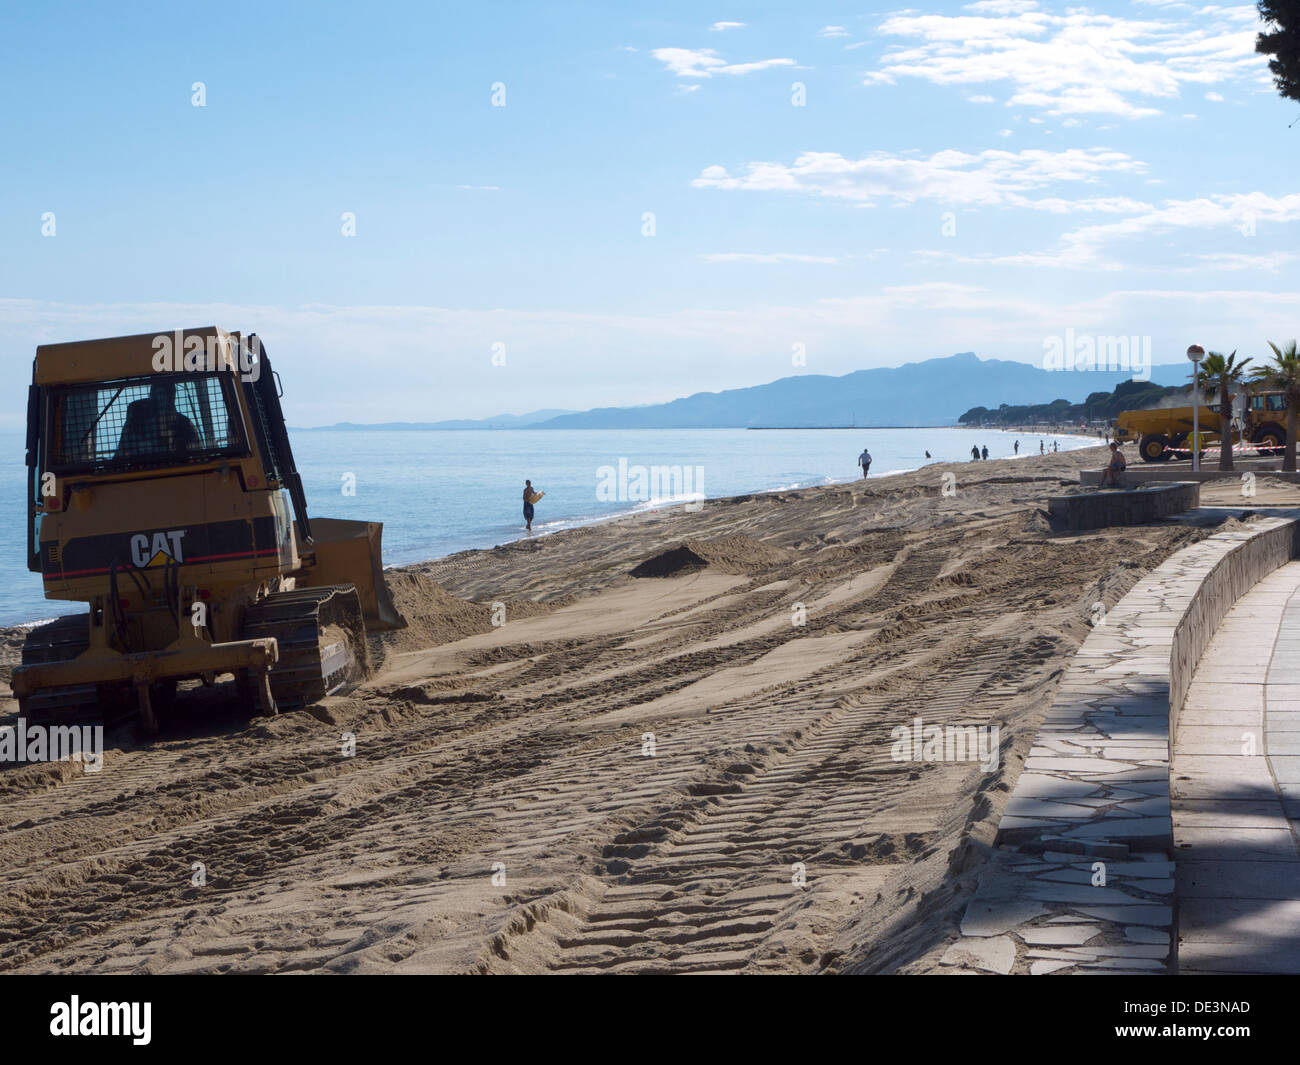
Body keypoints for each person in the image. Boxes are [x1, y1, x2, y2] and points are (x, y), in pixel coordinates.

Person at [115, 379, 198, 461]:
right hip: (171, 470)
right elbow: (198, 455)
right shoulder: (135, 422)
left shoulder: (134, 422)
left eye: (163, 394)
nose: (161, 399)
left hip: (152, 470)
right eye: (158, 394)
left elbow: (197, 453)